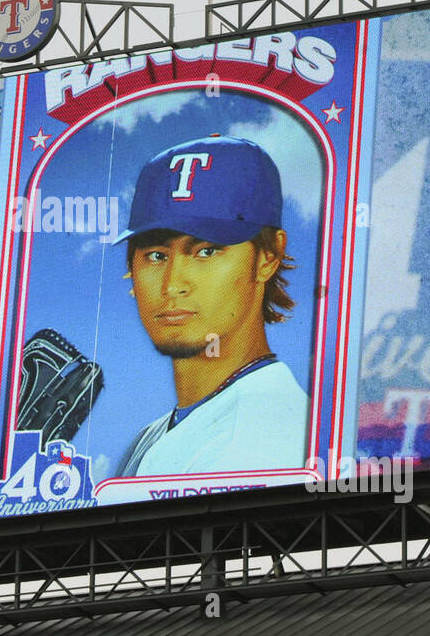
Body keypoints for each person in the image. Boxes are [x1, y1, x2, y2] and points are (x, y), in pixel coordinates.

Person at [114, 135, 310, 476]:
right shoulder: (154, 436)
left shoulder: (262, 439)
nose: (173, 284)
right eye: (156, 255)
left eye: (206, 251)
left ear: (268, 256)